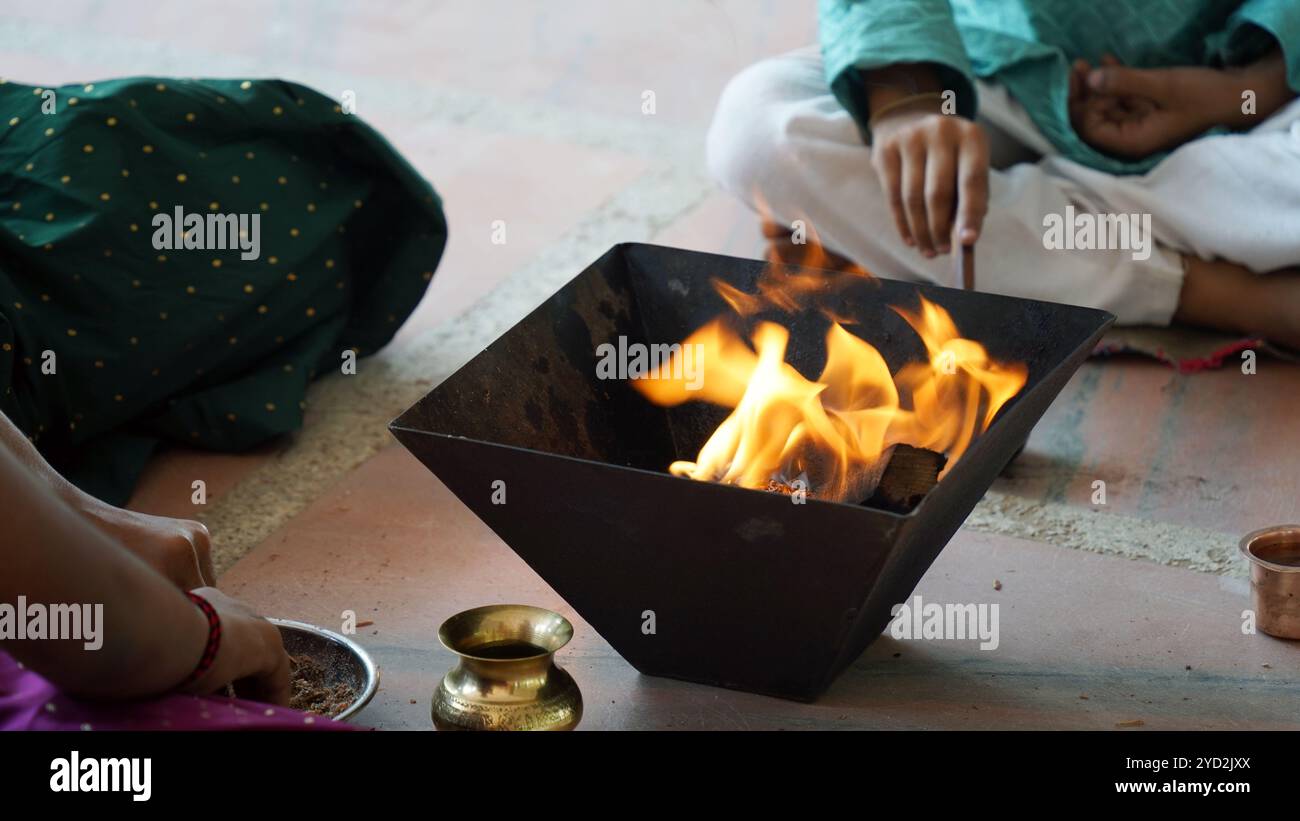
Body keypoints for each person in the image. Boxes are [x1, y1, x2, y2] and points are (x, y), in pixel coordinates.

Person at [707, 0, 1300, 347]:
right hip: (977, 75)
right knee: (760, 125)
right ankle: (1211, 291)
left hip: (1236, 103)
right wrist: (907, 97)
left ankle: (994, 239)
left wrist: (1243, 90)